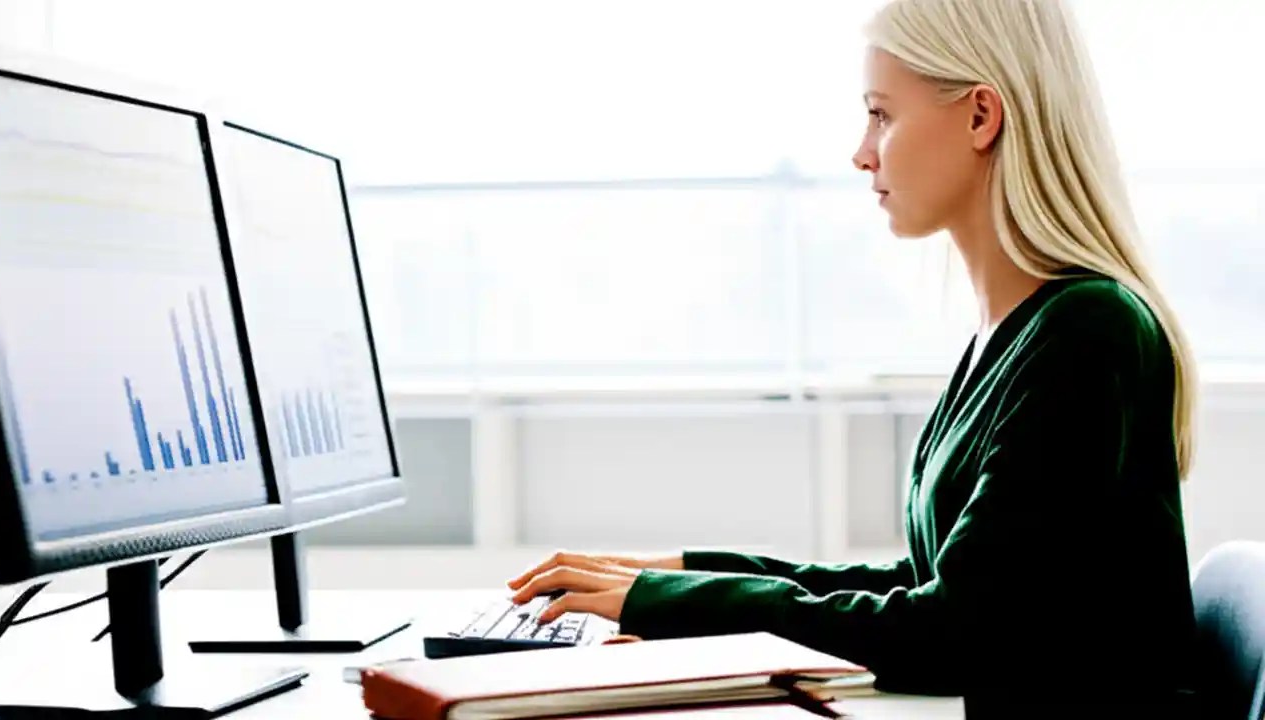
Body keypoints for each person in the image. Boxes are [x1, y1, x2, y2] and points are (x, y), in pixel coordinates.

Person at [508, 0, 1199, 704]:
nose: (862, 151)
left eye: (882, 114)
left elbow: (952, 629)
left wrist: (671, 603)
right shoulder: (1013, 337)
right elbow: (926, 583)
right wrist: (674, 582)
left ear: (981, 117)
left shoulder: (1088, 332)